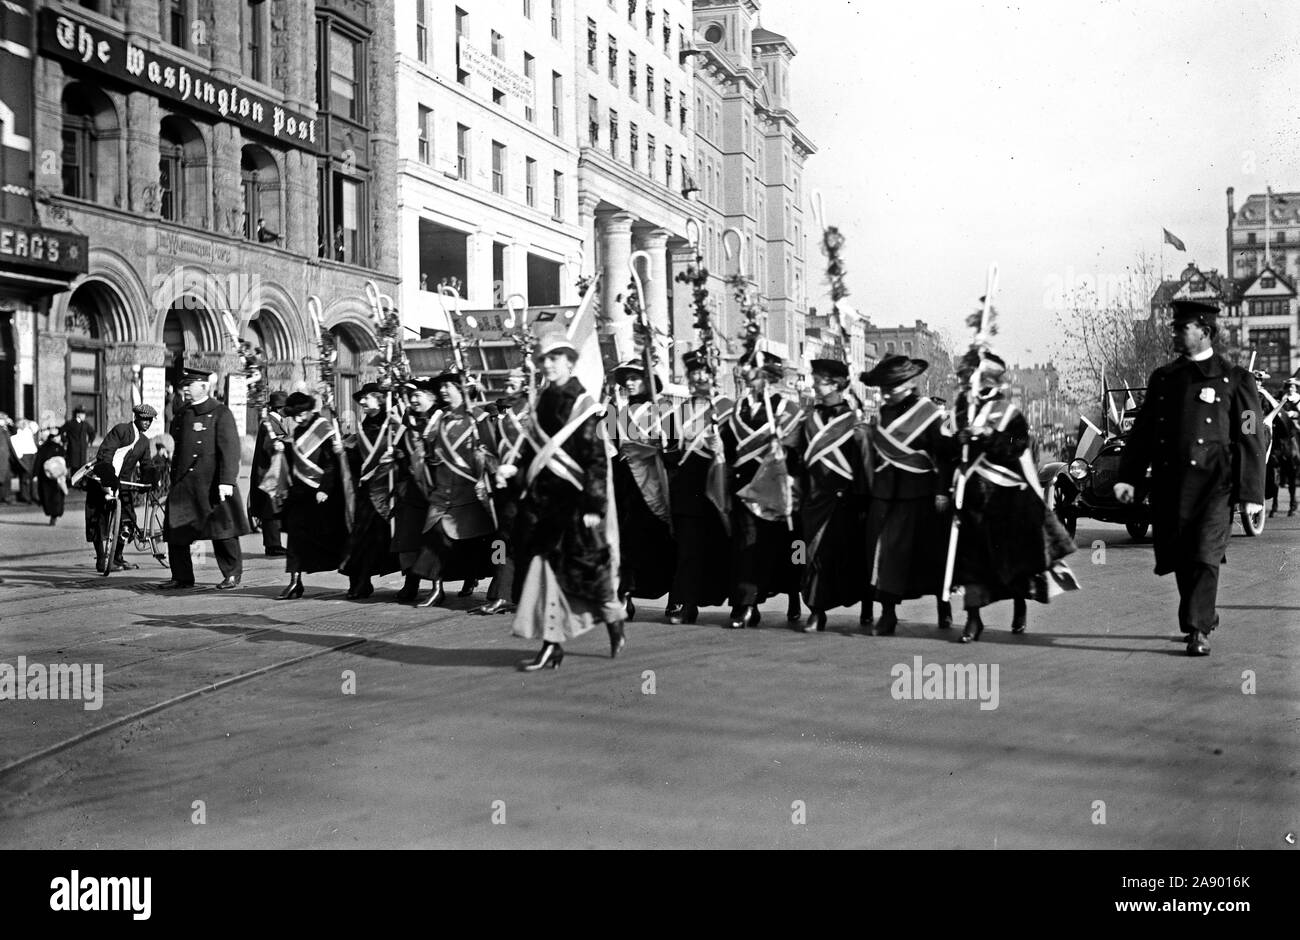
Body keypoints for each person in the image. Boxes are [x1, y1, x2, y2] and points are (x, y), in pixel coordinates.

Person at [1114, 298, 1267, 656]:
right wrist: (1128, 477)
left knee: (1204, 554)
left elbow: (1250, 436)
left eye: (1183, 328)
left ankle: (1198, 630)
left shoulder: (1236, 379)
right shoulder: (1165, 379)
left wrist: (1251, 491)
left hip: (1217, 485)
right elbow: (1144, 432)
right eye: (1175, 327)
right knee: (1182, 557)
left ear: (1205, 331)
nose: (1175, 334)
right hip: (1172, 486)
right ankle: (1202, 616)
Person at [503, 332, 626, 671]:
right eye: (543, 359)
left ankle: (615, 621)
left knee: (589, 580)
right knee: (547, 578)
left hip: (575, 507)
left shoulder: (586, 405)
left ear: (570, 362)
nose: (548, 365)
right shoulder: (540, 401)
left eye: (555, 358)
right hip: (543, 508)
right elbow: (532, 451)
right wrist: (512, 469)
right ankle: (551, 647)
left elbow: (597, 461)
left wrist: (592, 507)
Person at [949, 353, 1075, 642]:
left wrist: (986, 436)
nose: (966, 380)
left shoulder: (1009, 412)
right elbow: (952, 448)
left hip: (1005, 495)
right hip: (972, 496)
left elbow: (1018, 446)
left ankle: (1019, 607)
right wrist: (960, 440)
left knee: (1013, 559)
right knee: (972, 561)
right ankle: (973, 619)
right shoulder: (961, 409)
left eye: (972, 375)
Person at [861, 355, 954, 635]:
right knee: (885, 554)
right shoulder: (883, 413)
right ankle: (887, 613)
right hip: (885, 494)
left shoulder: (927, 411)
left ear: (908, 384)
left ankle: (944, 605)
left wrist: (941, 491)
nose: (886, 393)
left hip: (920, 495)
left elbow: (943, 455)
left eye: (892, 386)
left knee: (930, 557)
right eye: (883, 388)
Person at [720, 350, 804, 630]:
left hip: (776, 489)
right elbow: (729, 447)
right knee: (747, 546)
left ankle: (794, 594)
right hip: (746, 490)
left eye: (751, 373)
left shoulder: (786, 409)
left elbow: (796, 448)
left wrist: (785, 452)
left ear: (767, 378)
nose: (745, 377)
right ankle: (746, 604)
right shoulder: (738, 409)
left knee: (786, 546)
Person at [785, 359, 871, 633]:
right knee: (809, 555)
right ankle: (816, 610)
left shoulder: (853, 419)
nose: (814, 385)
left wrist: (862, 441)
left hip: (842, 499)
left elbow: (861, 463)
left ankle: (866, 605)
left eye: (819, 380)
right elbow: (797, 456)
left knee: (846, 555)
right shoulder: (808, 417)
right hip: (813, 497)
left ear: (836, 384)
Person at [409, 371, 497, 607]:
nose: (444, 390)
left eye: (450, 386)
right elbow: (430, 451)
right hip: (442, 491)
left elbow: (492, 453)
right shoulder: (439, 418)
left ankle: (485, 582)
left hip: (470, 492)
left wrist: (482, 456)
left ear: (463, 389)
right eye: (443, 387)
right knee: (435, 538)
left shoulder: (479, 418)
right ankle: (436, 588)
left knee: (478, 542)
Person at [159, 370, 249, 590]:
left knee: (223, 531)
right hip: (184, 484)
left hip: (211, 484)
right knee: (177, 531)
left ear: (204, 387)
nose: (186, 389)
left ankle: (231, 574)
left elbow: (230, 449)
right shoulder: (181, 415)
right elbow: (177, 448)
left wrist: (227, 480)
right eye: (185, 385)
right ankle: (181, 577)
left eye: (191, 385)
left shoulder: (220, 413)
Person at [664, 349, 733, 624]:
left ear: (713, 376)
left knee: (722, 547)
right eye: (692, 374)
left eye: (702, 372)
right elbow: (667, 451)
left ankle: (741, 603)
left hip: (717, 488)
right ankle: (686, 603)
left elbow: (741, 451)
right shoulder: (677, 411)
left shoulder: (726, 408)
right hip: (687, 489)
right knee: (688, 549)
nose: (696, 378)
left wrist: (723, 447)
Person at [609, 359, 676, 619]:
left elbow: (673, 448)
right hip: (626, 485)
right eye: (626, 377)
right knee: (625, 542)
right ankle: (625, 595)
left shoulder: (664, 409)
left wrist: (661, 442)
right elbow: (610, 446)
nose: (629, 382)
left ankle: (675, 595)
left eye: (635, 377)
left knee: (661, 540)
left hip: (654, 485)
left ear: (649, 380)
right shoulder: (619, 411)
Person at [277, 392, 349, 599]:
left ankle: (356, 578)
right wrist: (282, 448)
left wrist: (324, 489)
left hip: (322, 494)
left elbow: (330, 464)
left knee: (334, 539)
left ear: (309, 410)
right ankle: (295, 581)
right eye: (294, 416)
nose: (297, 419)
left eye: (300, 414)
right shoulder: (297, 431)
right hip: (299, 493)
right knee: (295, 539)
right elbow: (295, 459)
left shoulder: (324, 429)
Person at [472, 368, 529, 615]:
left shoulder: (536, 412)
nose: (507, 385)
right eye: (506, 381)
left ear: (526, 384)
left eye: (512, 381)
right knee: (501, 541)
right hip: (504, 487)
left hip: (531, 487)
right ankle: (500, 591)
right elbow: (494, 447)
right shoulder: (504, 415)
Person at [340, 382, 400, 599]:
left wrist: (396, 454)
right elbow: (359, 457)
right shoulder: (364, 425)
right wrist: (344, 451)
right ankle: (360, 581)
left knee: (386, 539)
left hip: (387, 491)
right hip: (366, 491)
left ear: (380, 398)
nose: (362, 402)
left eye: (366, 398)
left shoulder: (392, 423)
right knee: (360, 537)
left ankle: (411, 581)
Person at [389, 378, 439, 602]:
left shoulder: (441, 421)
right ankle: (411, 582)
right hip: (410, 491)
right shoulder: (406, 423)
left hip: (436, 489)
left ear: (432, 397)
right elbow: (398, 452)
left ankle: (437, 585)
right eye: (412, 396)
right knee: (407, 540)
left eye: (419, 395)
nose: (414, 399)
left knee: (435, 541)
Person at [249, 390, 290, 556]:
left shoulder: (273, 421)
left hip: (273, 472)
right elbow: (271, 447)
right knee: (271, 511)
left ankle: (274, 543)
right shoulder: (269, 424)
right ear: (280, 408)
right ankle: (273, 545)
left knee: (272, 508)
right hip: (269, 473)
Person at [35, 425, 68, 525]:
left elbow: (38, 461)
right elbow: (39, 461)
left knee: (51, 497)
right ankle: (54, 514)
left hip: (50, 477)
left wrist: (36, 474)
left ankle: (54, 515)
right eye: (57, 437)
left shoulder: (47, 447)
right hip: (53, 477)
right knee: (55, 497)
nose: (58, 438)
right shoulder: (55, 448)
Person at [61, 406, 96, 475]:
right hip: (73, 449)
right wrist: (65, 441)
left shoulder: (85, 424)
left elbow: (92, 433)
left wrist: (90, 442)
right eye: (83, 414)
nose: (84, 416)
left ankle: (79, 482)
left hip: (82, 449)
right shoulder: (70, 423)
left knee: (82, 466)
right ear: (78, 415)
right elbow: (61, 431)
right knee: (74, 466)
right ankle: (73, 481)